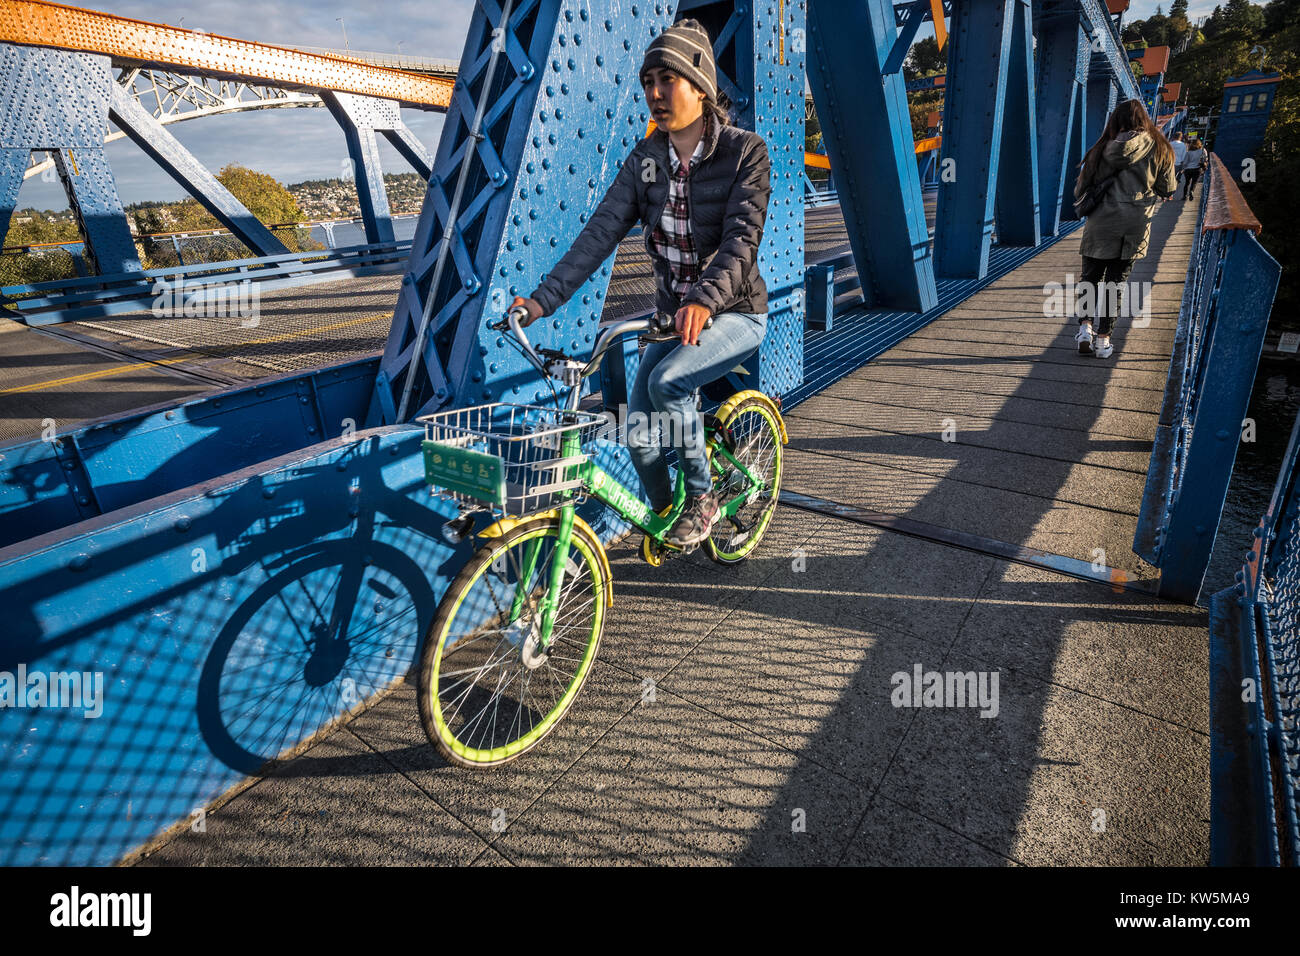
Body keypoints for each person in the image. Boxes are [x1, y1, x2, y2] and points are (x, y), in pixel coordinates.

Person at [509, 19, 772, 549]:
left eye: (666, 80)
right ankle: (664, 513)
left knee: (667, 383)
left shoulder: (745, 152)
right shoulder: (646, 162)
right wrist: (542, 300)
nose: (653, 93)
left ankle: (701, 499)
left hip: (736, 312)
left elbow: (742, 241)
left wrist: (703, 298)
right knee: (636, 428)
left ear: (699, 84)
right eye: (647, 82)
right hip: (673, 318)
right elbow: (599, 234)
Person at [1072, 99, 1178, 360]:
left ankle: (1085, 330)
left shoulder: (1102, 148)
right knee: (1115, 285)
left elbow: (1080, 190)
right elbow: (1169, 189)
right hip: (1134, 225)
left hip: (1101, 223)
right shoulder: (1161, 148)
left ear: (1115, 121)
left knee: (1090, 279)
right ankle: (1103, 341)